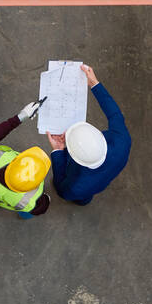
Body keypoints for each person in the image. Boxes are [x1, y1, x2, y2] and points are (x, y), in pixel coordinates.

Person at [47, 64, 131, 206]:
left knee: (78, 196)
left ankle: (82, 200)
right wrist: (94, 84)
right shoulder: (122, 142)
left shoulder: (74, 187)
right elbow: (115, 114)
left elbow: (62, 189)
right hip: (103, 179)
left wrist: (58, 152)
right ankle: (84, 201)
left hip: (81, 190)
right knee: (85, 196)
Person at [0, 99, 52, 219]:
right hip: (18, 205)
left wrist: (21, 116)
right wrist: (47, 199)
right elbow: (43, 206)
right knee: (26, 213)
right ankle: (22, 216)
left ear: (14, 162)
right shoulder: (32, 201)